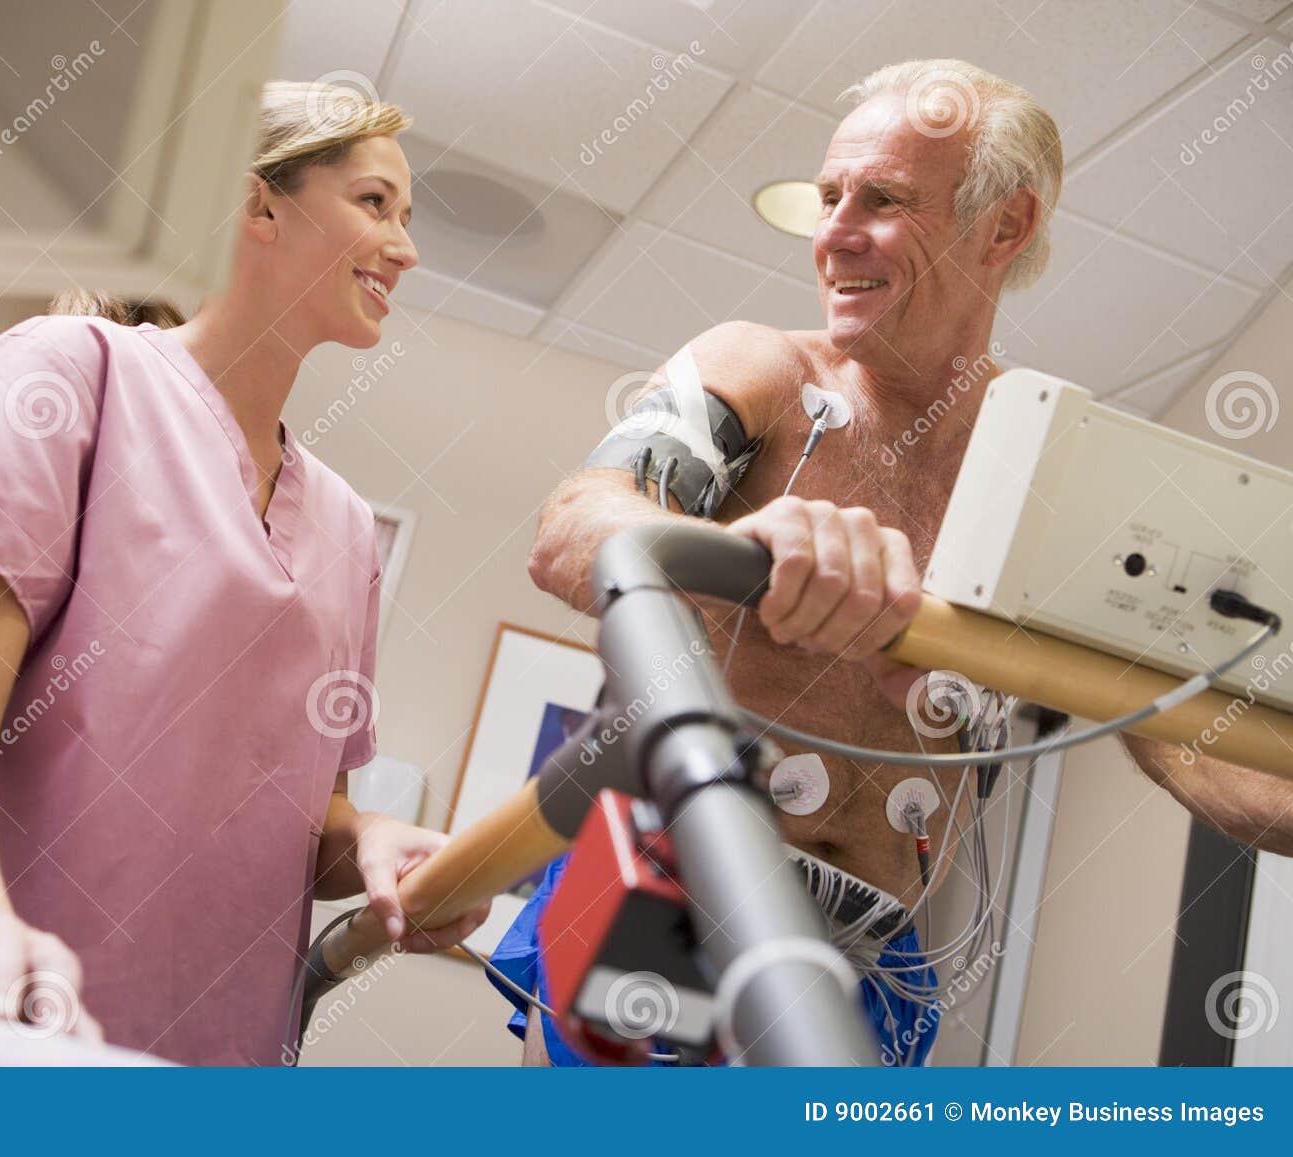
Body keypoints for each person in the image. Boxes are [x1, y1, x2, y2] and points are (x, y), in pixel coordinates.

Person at [493, 57, 1293, 1067]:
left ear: (1003, 225)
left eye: (881, 200)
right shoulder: (763, 371)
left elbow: (1195, 746)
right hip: (676, 892)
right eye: (828, 198)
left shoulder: (1050, 472)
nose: (831, 233)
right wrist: (738, 544)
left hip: (873, 961)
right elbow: (571, 530)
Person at [0, 81, 488, 1065]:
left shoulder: (349, 532)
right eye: (373, 203)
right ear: (258, 203)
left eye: (404, 215)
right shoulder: (71, 377)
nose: (405, 246)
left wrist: (368, 840)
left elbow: (285, 814)